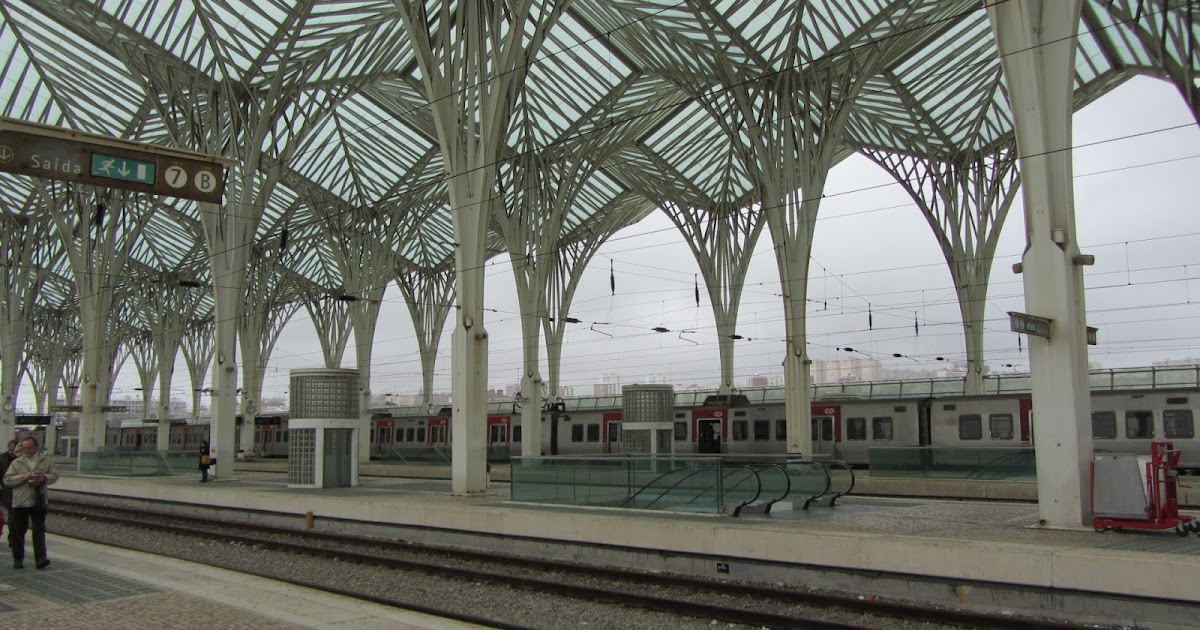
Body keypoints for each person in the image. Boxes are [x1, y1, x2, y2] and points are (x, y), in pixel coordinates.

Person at [4, 437, 58, 569]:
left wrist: (43, 478)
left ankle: (41, 559)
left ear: (36, 447)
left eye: (29, 448)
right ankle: (18, 559)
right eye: (24, 448)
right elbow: (7, 480)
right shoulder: (17, 462)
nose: (27, 450)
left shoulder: (46, 461)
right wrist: (24, 476)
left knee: (39, 531)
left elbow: (55, 475)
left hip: (39, 501)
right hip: (20, 502)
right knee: (18, 532)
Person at [0, 440, 15, 545]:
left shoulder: (21, 458)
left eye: (13, 450)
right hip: (5, 491)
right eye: (10, 449)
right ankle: (12, 539)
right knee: (11, 517)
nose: (11, 452)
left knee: (14, 518)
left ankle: (13, 538)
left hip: (17, 492)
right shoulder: (2, 458)